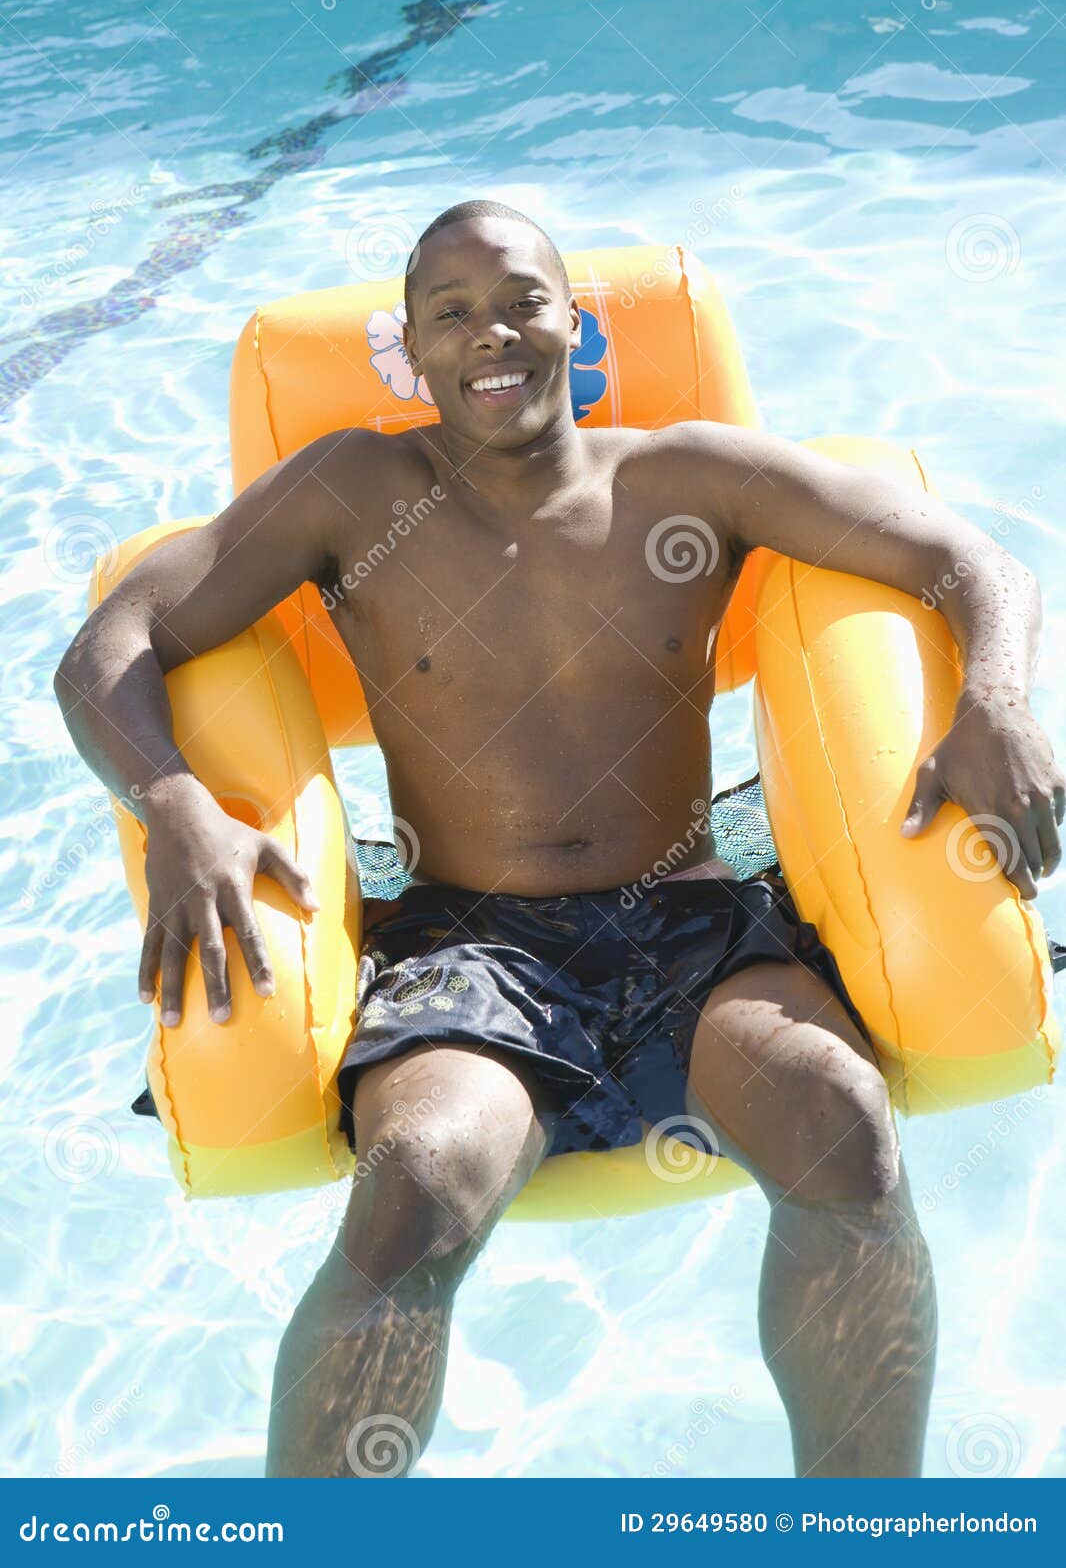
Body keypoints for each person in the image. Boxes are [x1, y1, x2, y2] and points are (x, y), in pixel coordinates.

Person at [53, 199, 1064, 1480]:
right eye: (452, 312)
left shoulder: (688, 475)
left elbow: (966, 558)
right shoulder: (354, 493)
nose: (494, 334)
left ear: (575, 325)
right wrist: (176, 799)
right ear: (412, 351)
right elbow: (110, 649)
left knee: (840, 1117)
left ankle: (860, 1525)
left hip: (693, 923)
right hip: (474, 944)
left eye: (524, 299)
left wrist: (992, 703)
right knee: (419, 1177)